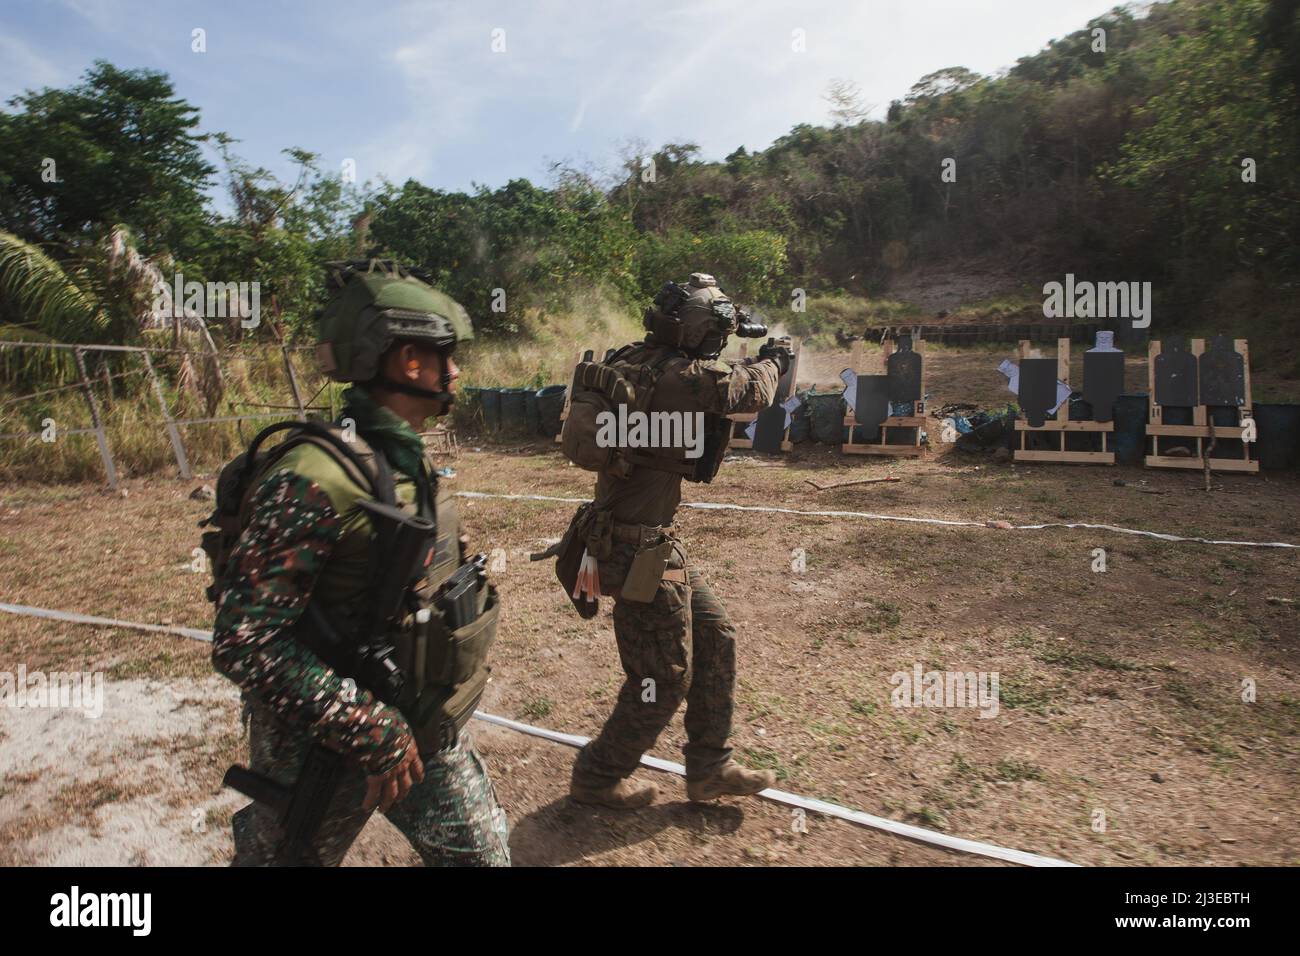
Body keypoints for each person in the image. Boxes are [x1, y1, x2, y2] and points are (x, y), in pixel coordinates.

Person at [211, 260, 509, 865]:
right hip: (321, 736)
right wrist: (368, 727)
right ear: (407, 361)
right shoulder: (315, 477)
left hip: (412, 712)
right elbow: (245, 641)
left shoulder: (399, 459)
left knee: (480, 855)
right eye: (446, 354)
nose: (456, 371)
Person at [562, 272, 793, 809]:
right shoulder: (678, 379)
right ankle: (598, 775)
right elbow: (751, 392)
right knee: (663, 678)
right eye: (715, 330)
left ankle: (709, 767)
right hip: (634, 549)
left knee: (717, 635)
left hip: (646, 542)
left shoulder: (632, 362)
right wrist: (776, 357)